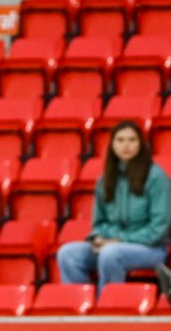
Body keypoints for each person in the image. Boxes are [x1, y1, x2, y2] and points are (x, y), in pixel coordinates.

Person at [58, 121, 169, 293]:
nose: (126, 145)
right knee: (68, 254)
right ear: (112, 145)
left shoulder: (156, 178)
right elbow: (99, 223)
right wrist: (99, 238)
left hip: (151, 249)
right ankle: (82, 306)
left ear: (141, 144)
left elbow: (159, 228)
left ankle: (107, 307)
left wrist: (118, 239)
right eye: (120, 140)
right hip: (112, 245)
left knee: (111, 254)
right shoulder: (105, 180)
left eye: (132, 140)